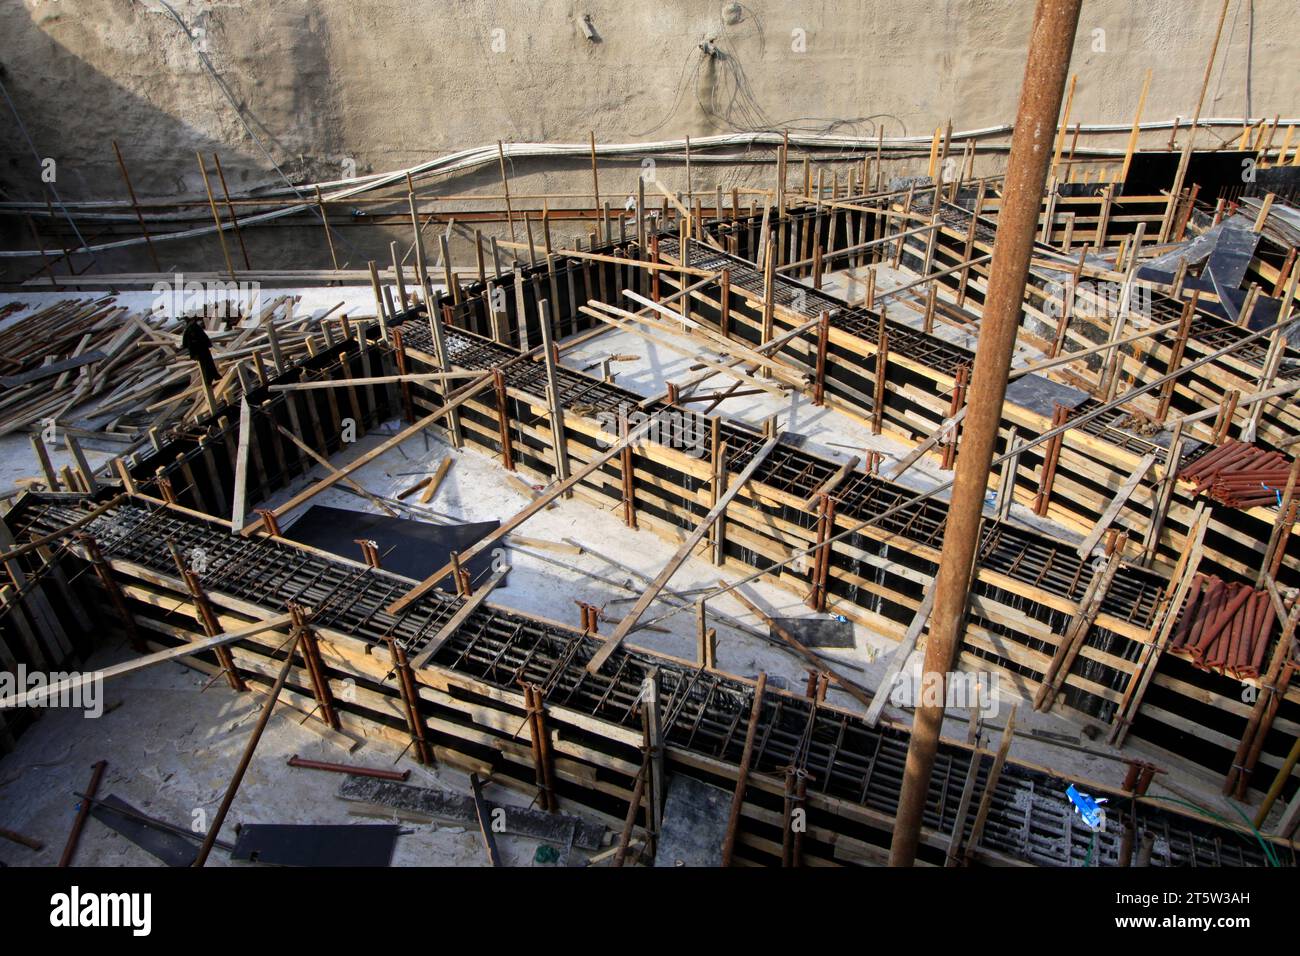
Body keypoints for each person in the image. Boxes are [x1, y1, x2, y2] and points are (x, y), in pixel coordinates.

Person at [181, 315, 220, 386]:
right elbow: (202, 337)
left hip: (201, 350)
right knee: (206, 365)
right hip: (200, 351)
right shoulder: (192, 328)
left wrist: (208, 344)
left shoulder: (192, 327)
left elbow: (185, 344)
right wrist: (208, 344)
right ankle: (208, 380)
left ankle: (214, 376)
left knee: (208, 364)